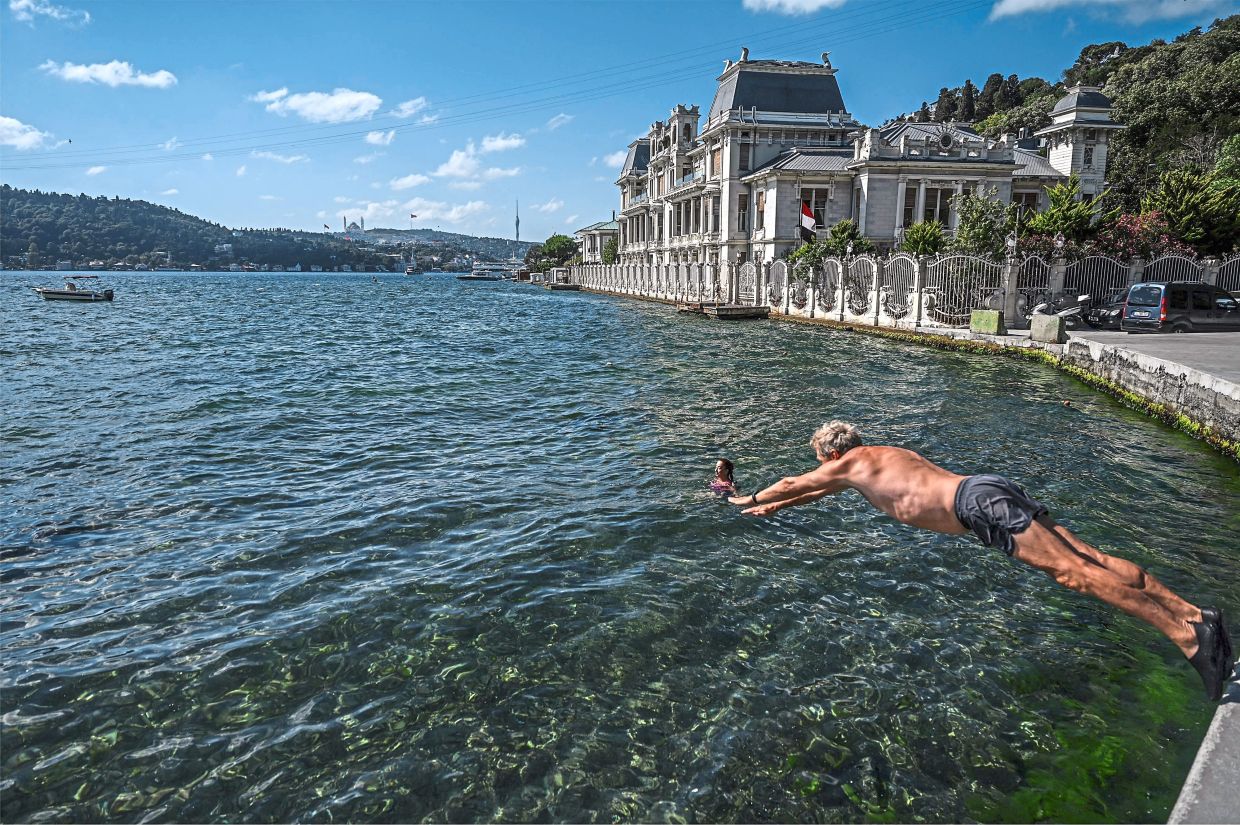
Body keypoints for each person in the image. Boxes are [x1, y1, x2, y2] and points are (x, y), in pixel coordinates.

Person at [729, 420, 1234, 701]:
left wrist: (750, 498)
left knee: (1073, 574)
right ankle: (1196, 613)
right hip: (984, 487)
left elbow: (800, 482)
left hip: (973, 507)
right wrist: (780, 506)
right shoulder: (880, 457)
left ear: (828, 455)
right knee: (1089, 556)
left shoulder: (847, 465)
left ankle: (1190, 640)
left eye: (822, 463)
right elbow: (813, 492)